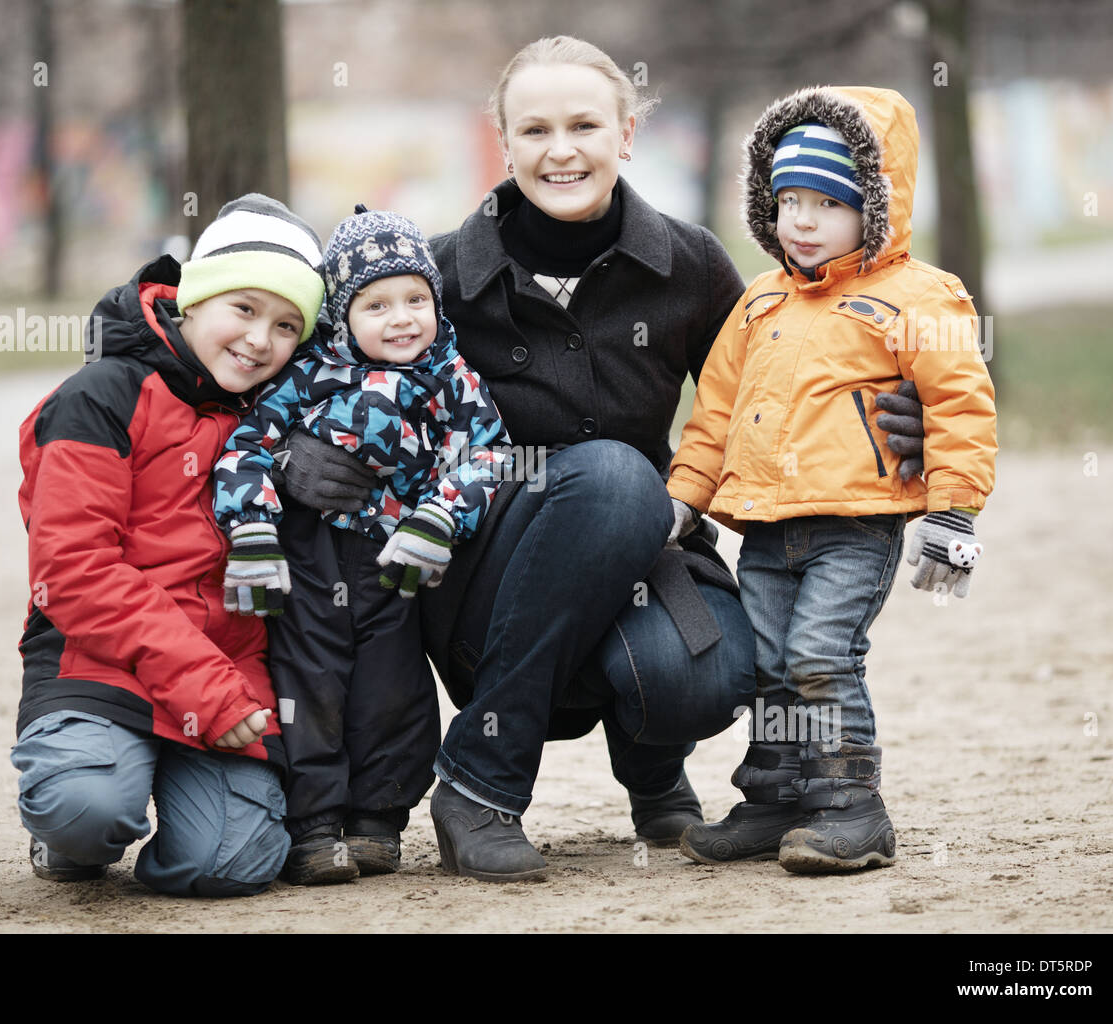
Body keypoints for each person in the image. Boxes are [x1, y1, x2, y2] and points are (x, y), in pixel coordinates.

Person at [274, 37, 928, 882]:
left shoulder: (689, 264)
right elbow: (284, 358)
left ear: (626, 133)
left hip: (646, 552)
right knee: (613, 473)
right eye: (535, 129)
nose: (561, 149)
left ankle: (655, 775)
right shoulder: (430, 277)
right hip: (476, 572)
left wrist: (885, 405)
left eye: (584, 124)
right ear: (504, 144)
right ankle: (479, 783)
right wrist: (290, 452)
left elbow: (774, 377)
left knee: (705, 669)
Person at [669, 87, 997, 872]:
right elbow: (715, 412)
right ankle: (778, 795)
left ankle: (853, 806)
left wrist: (953, 516)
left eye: (828, 202)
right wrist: (684, 496)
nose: (803, 222)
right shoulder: (760, 301)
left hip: (855, 523)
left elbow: (960, 405)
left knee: (820, 654)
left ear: (874, 208)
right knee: (768, 663)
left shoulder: (920, 296)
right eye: (788, 201)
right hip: (768, 527)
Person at [10, 194, 327, 896]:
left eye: (285, 326)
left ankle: (177, 796)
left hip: (229, 670)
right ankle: (77, 821)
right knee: (85, 809)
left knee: (230, 863)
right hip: (100, 664)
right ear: (193, 298)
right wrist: (203, 689)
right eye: (242, 309)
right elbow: (72, 571)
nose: (259, 340)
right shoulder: (99, 397)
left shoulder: (283, 418)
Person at [213, 206, 512, 884]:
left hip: (396, 561)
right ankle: (314, 825)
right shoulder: (310, 375)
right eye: (376, 304)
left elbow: (489, 456)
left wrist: (441, 516)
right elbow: (246, 446)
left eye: (416, 299)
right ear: (342, 316)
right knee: (307, 683)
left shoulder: (451, 379)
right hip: (310, 556)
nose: (401, 317)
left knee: (393, 689)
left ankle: (379, 819)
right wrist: (252, 529)